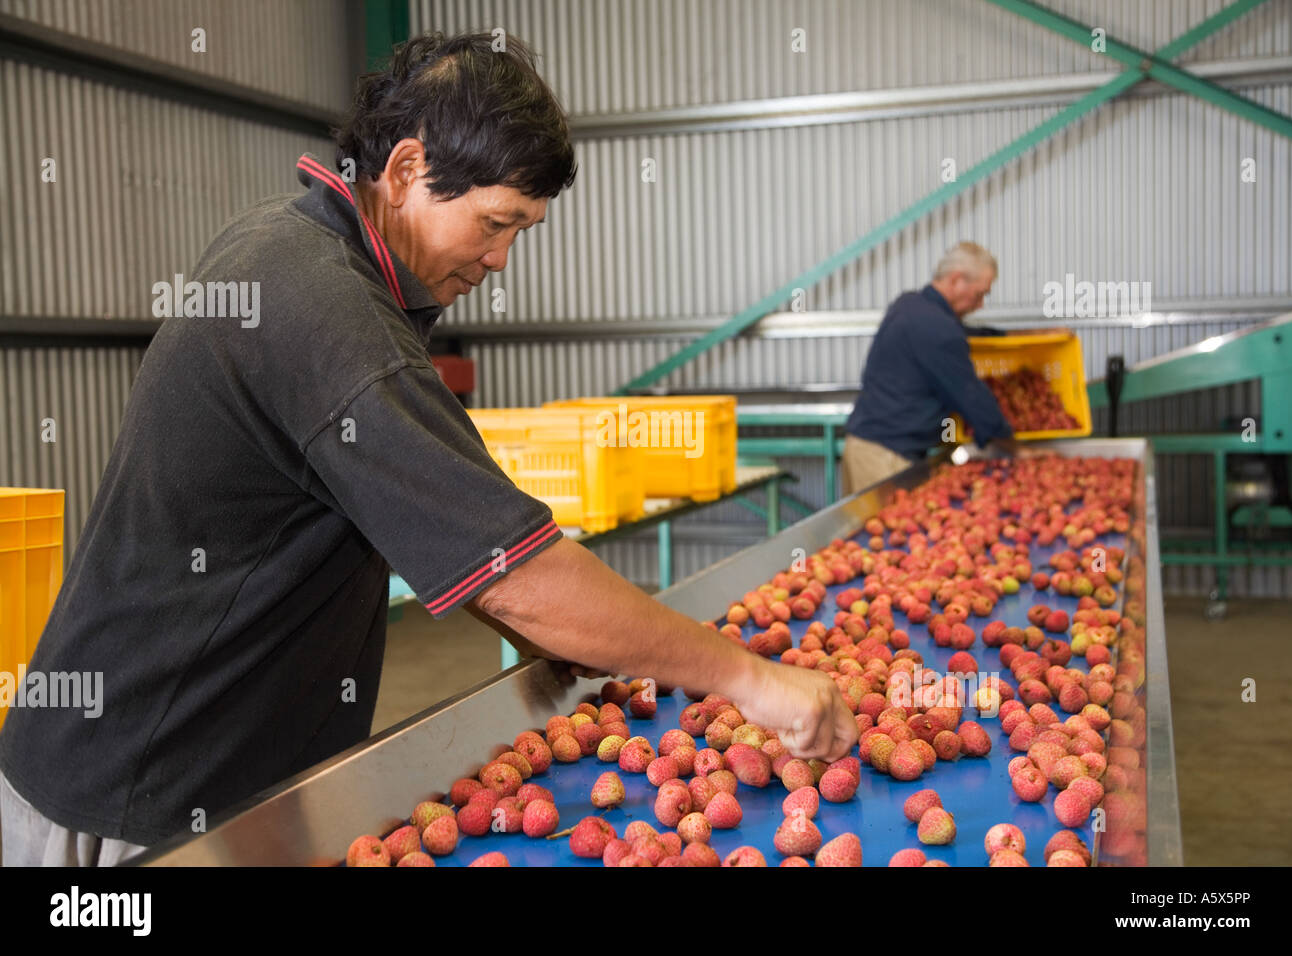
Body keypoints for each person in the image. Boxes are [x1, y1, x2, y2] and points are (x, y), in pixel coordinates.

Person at [0, 32, 857, 867]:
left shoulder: (296, 245)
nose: (500, 258)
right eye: (494, 222)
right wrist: (750, 679)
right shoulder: (324, 308)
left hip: (211, 777)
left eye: (522, 230)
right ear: (407, 170)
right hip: (137, 804)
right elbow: (521, 575)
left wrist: (565, 641)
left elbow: (454, 540)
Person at [841, 241, 1019, 495]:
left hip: (863, 447)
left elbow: (959, 334)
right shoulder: (938, 329)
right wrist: (1013, 446)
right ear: (957, 280)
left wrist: (1008, 336)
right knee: (890, 532)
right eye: (980, 294)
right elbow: (971, 396)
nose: (980, 305)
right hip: (883, 459)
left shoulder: (910, 305)